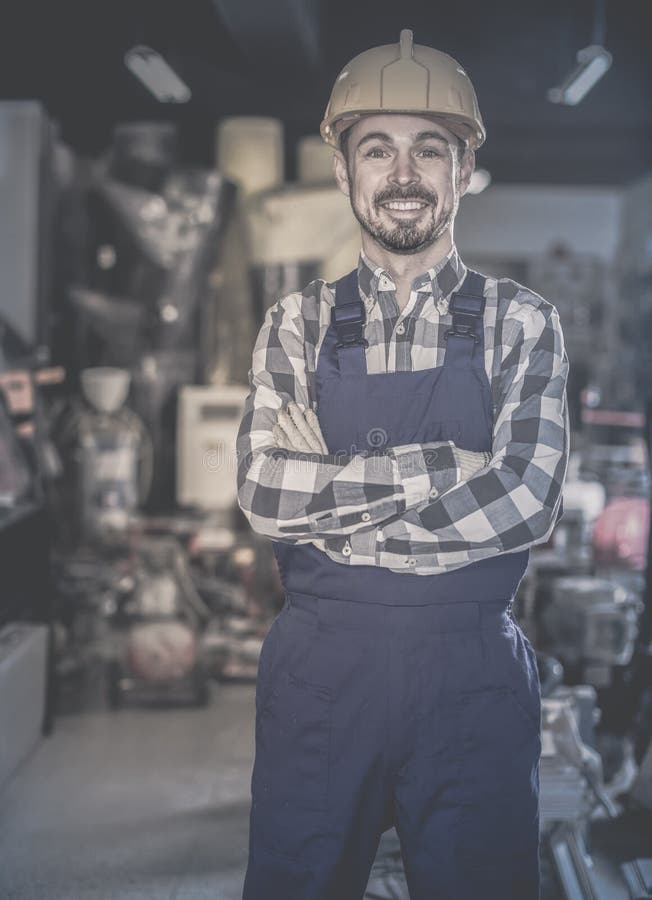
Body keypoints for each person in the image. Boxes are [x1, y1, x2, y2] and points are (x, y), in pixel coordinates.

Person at [236, 27, 569, 900]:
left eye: (432, 148)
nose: (404, 172)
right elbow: (266, 489)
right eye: (376, 149)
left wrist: (342, 513)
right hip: (321, 679)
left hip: (470, 680)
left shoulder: (521, 322)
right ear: (344, 171)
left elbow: (528, 499)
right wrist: (452, 467)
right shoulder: (295, 325)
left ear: (464, 170)